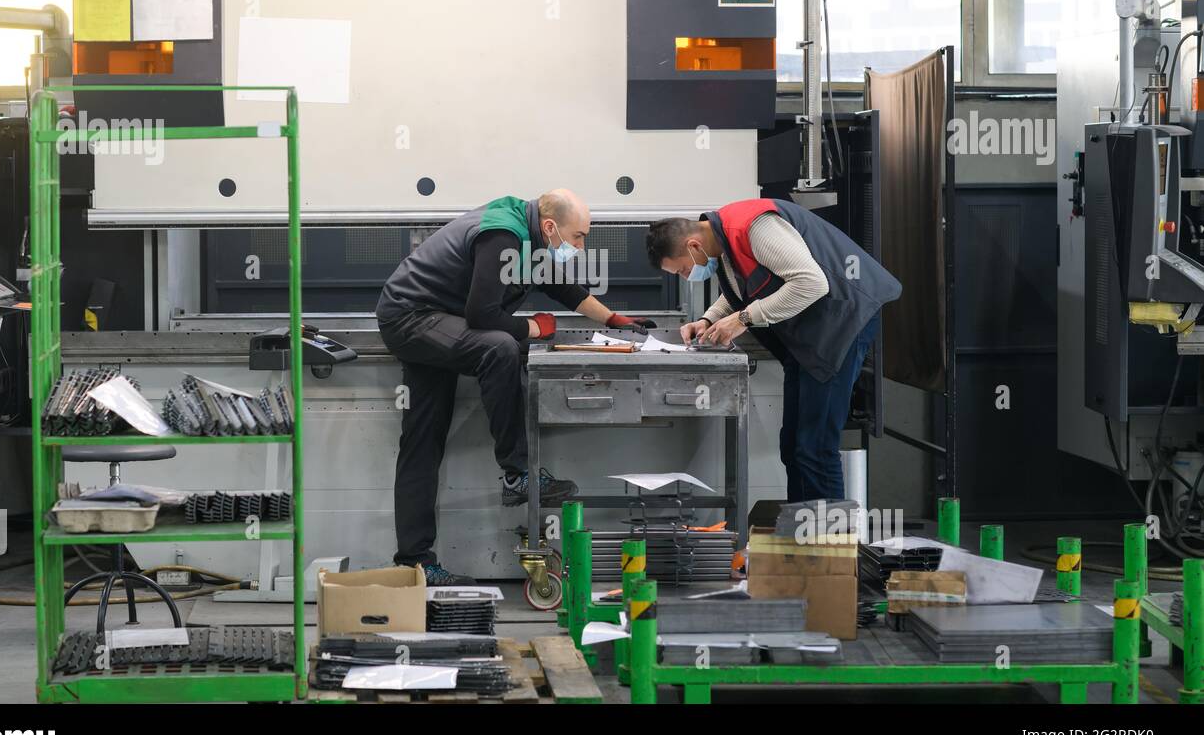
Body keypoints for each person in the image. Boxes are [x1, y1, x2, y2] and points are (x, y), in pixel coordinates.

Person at [376, 189, 655, 585]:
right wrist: (533, 328)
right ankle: (516, 473)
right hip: (412, 318)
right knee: (501, 348)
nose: (581, 246)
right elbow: (482, 313)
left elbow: (559, 286)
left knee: (422, 442)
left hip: (436, 319)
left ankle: (414, 564)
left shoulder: (529, 234)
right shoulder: (503, 236)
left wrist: (612, 320)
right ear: (550, 226)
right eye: (578, 237)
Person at [646, 198, 900, 504]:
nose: (686, 277)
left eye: (683, 270)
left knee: (816, 447)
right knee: (793, 445)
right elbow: (745, 288)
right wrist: (708, 319)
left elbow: (811, 283)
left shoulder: (755, 228)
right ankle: (801, 531)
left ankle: (829, 546)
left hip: (843, 321)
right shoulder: (722, 239)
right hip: (812, 333)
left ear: (694, 245)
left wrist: (743, 319)